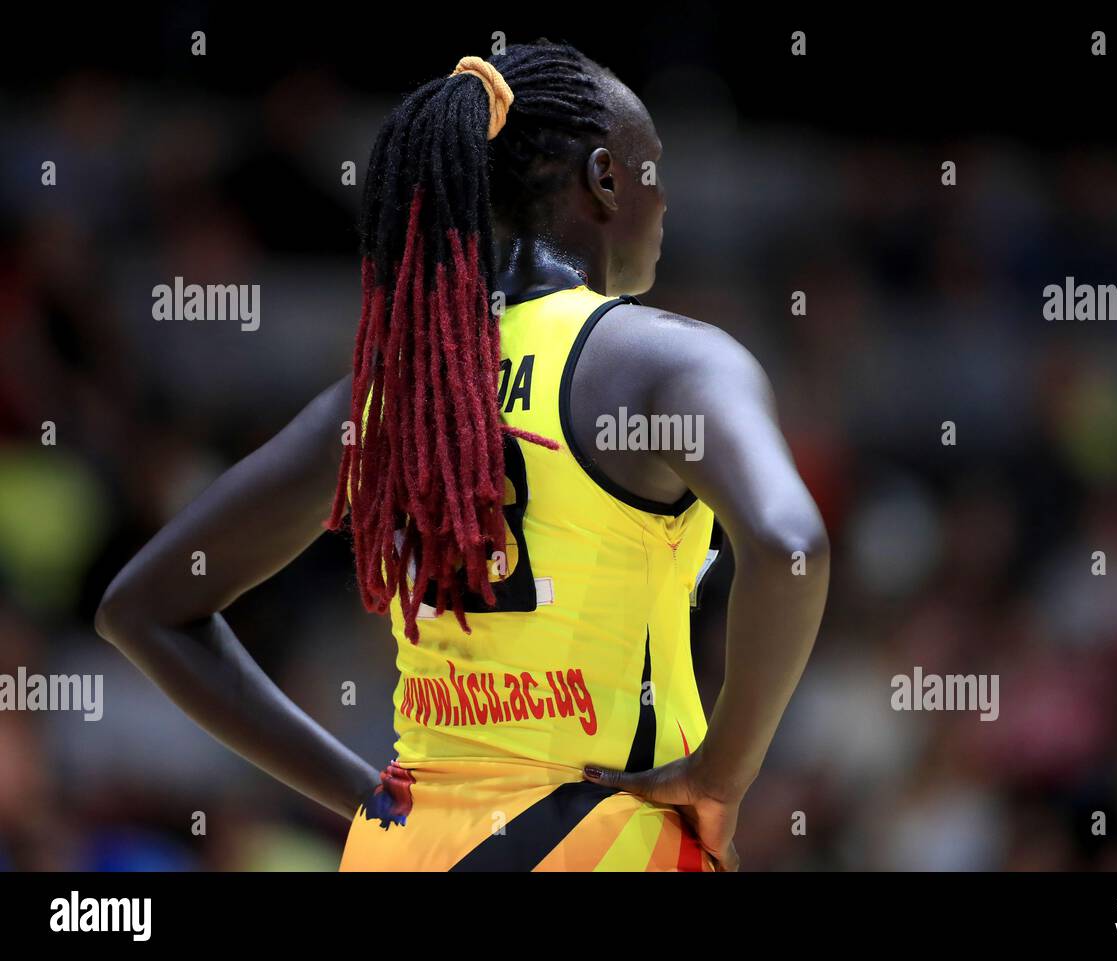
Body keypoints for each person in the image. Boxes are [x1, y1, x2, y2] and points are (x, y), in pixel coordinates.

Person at [96, 40, 828, 872]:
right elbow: (791, 546)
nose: (666, 205)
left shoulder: (396, 385)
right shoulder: (669, 363)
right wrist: (723, 774)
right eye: (653, 170)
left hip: (404, 850)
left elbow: (145, 607)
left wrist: (371, 799)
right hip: (606, 838)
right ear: (605, 178)